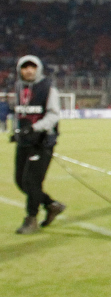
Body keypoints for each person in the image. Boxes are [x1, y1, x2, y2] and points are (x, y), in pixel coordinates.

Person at [12, 55, 66, 234]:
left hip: (42, 142)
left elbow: (53, 115)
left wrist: (34, 128)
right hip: (25, 142)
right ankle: (51, 205)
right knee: (21, 182)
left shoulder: (48, 88)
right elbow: (19, 113)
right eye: (24, 67)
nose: (28, 70)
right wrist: (16, 132)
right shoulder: (19, 87)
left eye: (32, 67)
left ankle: (31, 219)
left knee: (32, 181)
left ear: (38, 69)